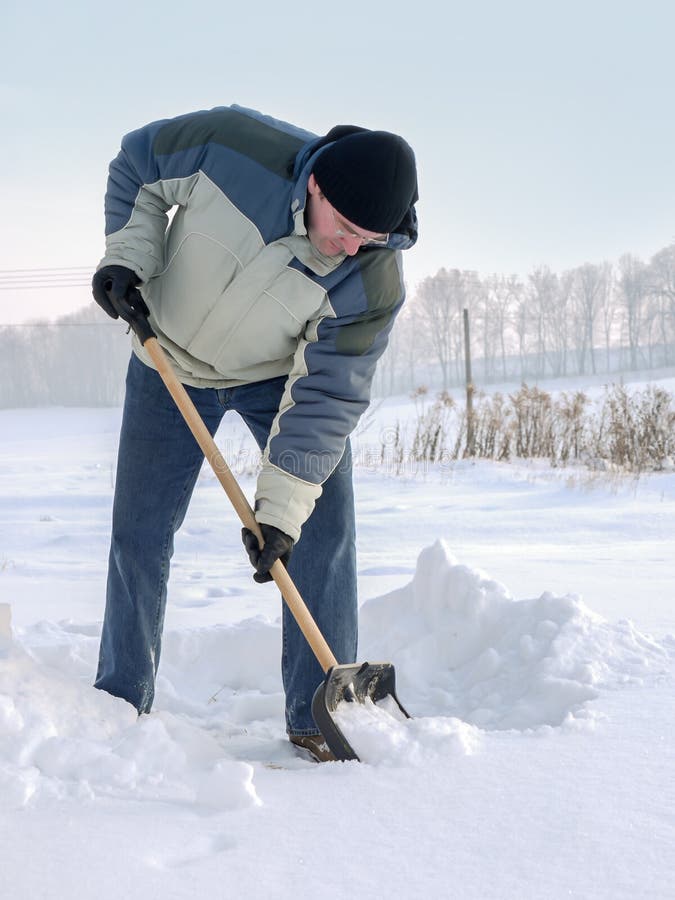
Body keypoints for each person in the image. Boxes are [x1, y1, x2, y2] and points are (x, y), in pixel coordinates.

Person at [91, 104, 418, 762]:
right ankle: (118, 703)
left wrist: (281, 517)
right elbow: (138, 164)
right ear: (315, 188)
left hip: (278, 379)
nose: (352, 248)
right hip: (169, 357)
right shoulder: (231, 145)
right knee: (140, 532)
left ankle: (316, 712)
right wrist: (129, 258)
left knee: (321, 527)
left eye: (370, 239)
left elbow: (326, 397)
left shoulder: (371, 278)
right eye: (346, 229)